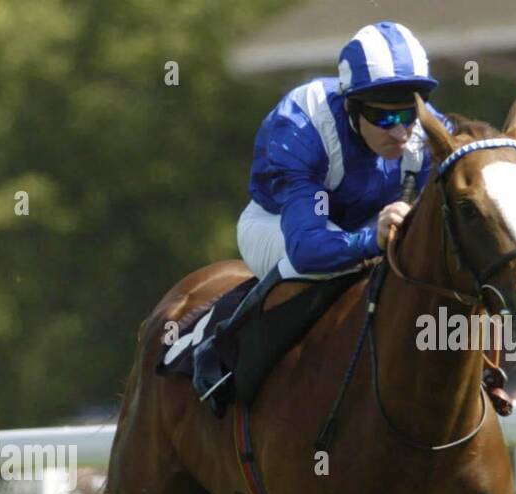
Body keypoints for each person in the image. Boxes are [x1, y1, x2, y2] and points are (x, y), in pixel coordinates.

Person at [194, 21, 454, 410]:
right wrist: (376, 240)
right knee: (324, 270)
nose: (400, 133)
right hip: (280, 227)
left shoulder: (426, 128)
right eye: (384, 119)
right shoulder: (301, 125)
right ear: (352, 106)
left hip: (364, 226)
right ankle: (223, 357)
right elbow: (308, 249)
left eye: (407, 117)